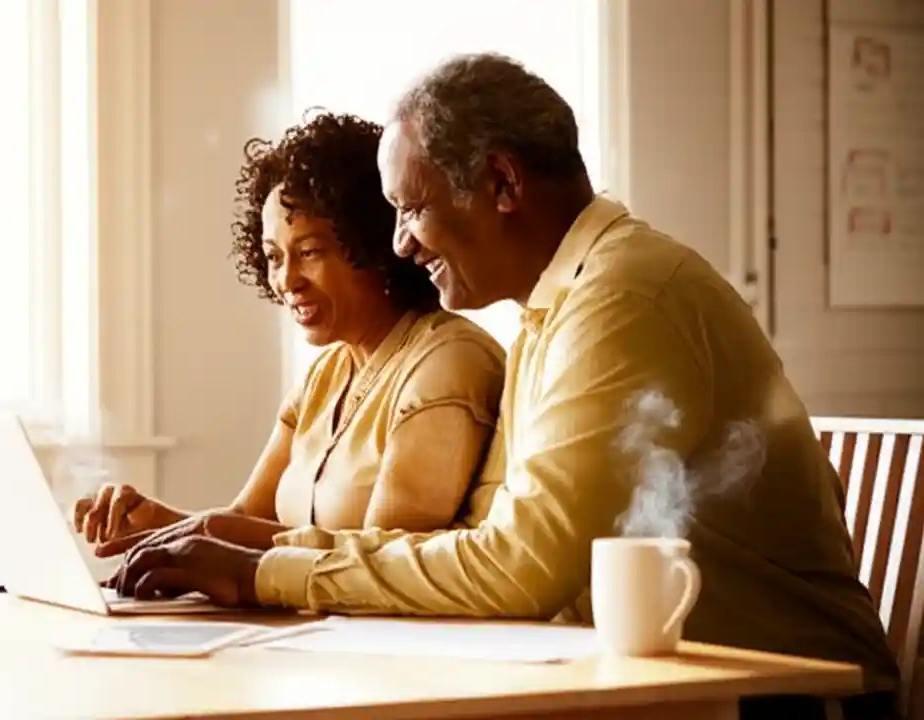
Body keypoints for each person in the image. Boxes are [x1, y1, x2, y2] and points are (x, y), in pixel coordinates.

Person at [100, 55, 898, 719]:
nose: (402, 244)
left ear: (503, 184)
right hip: (657, 684)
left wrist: (260, 571)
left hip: (781, 695)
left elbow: (518, 569)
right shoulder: (559, 309)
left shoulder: (622, 299)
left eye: (412, 209)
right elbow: (484, 538)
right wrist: (261, 553)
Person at [74, 110, 506, 552]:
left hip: (381, 621)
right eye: (274, 257)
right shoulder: (327, 374)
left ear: (373, 244)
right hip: (308, 621)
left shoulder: (450, 360)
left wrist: (200, 536)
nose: (287, 280)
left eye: (310, 251)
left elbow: (383, 556)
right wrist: (151, 522)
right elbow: (244, 520)